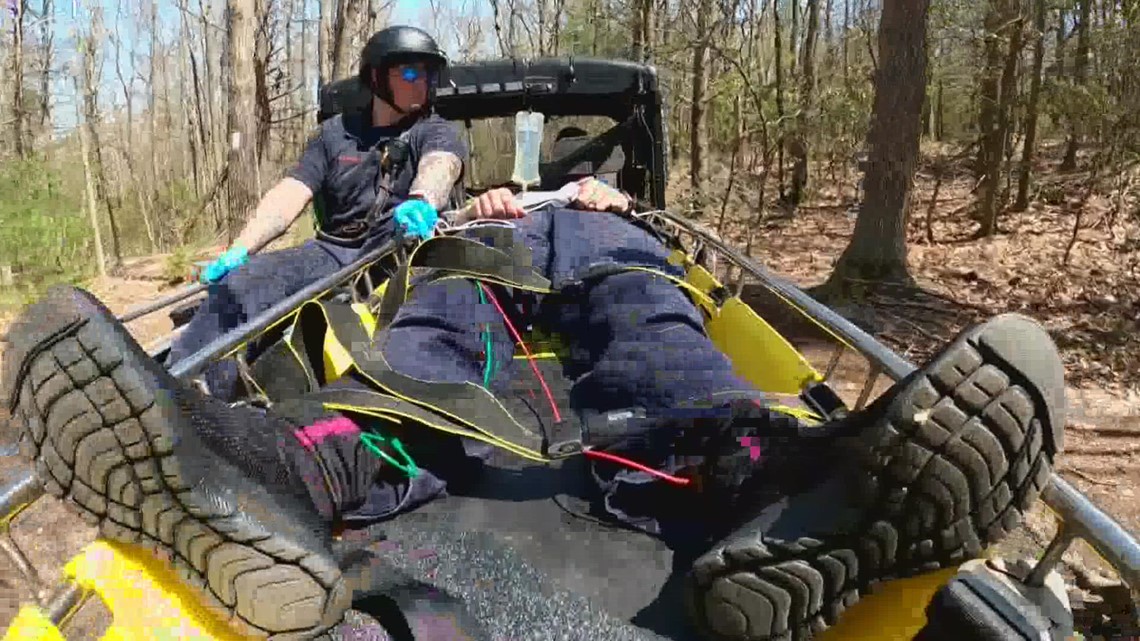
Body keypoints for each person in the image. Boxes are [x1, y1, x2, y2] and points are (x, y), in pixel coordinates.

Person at [2, 139, 1070, 639]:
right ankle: (268, 469)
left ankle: (772, 486)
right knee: (427, 350)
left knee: (648, 325)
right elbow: (428, 231)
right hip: (477, 269)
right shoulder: (482, 208)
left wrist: (608, 204)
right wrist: (483, 212)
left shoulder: (615, 209)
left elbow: (647, 271)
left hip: (612, 259)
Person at [168, 25, 468, 401]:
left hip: (394, 250)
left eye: (428, 73)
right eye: (410, 72)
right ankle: (180, 394)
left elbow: (442, 164)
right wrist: (241, 248)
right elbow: (292, 192)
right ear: (376, 77)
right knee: (242, 285)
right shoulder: (333, 134)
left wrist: (422, 201)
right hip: (330, 252)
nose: (422, 82)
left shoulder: (435, 130)